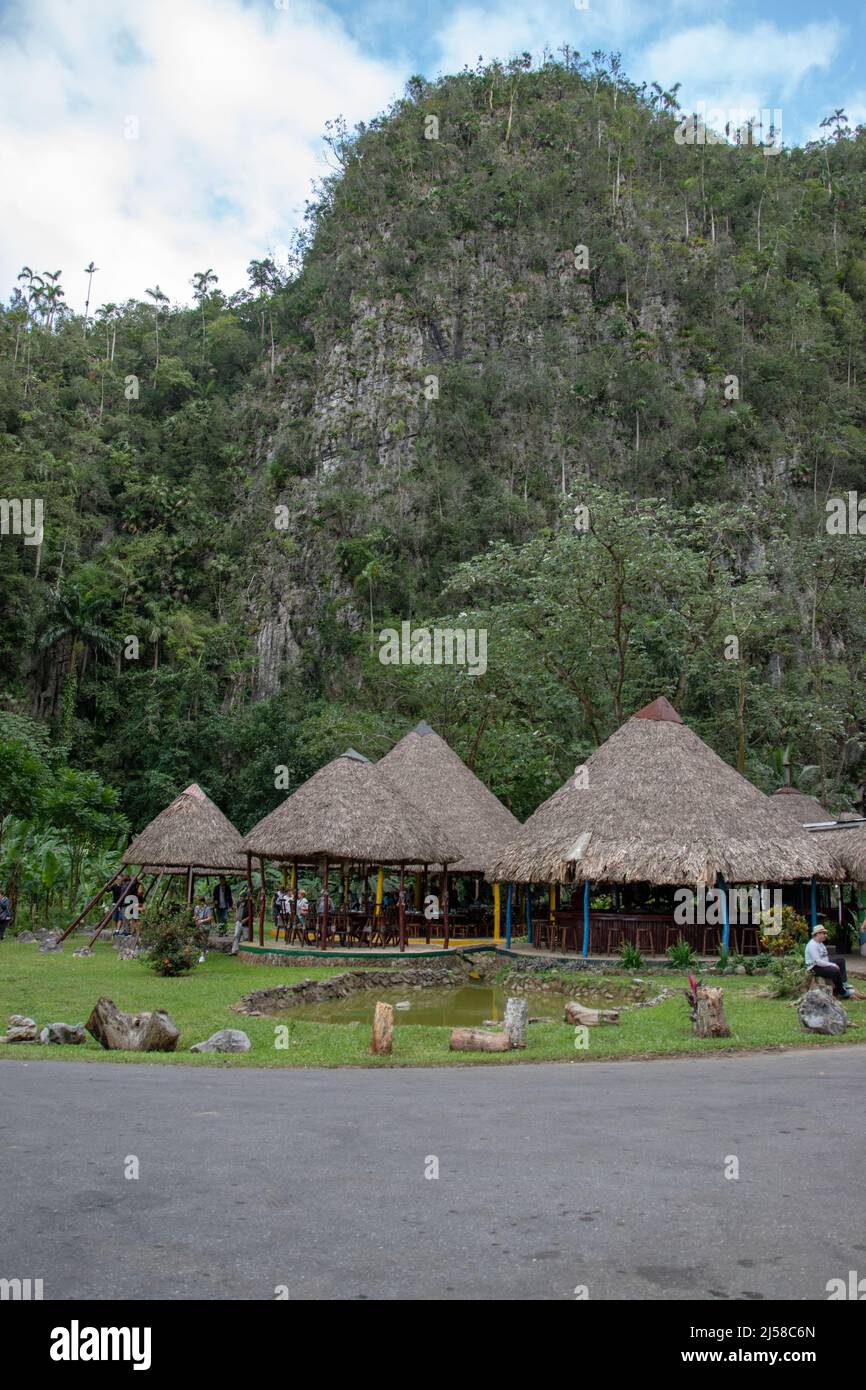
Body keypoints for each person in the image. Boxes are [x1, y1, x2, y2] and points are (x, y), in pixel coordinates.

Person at [805, 924, 855, 998]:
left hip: (821, 964)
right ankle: (842, 992)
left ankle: (844, 983)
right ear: (818, 934)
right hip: (814, 967)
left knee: (840, 960)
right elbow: (818, 961)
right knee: (834, 970)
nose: (825, 935)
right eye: (824, 933)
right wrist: (832, 965)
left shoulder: (820, 943)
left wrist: (831, 963)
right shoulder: (812, 945)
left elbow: (824, 957)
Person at [231, 888, 253, 955]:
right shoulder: (238, 903)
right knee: (236, 936)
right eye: (240, 897)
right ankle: (234, 951)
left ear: (245, 898)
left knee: (246, 937)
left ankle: (245, 952)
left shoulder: (249, 904)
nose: (240, 898)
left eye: (241, 897)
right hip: (238, 922)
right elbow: (237, 910)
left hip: (245, 923)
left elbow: (251, 914)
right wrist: (236, 917)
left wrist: (245, 919)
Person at [194, 895, 213, 963]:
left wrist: (202, 921)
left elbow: (210, 918)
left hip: (206, 926)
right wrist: (196, 920)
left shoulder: (207, 908)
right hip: (198, 926)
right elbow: (195, 916)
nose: (198, 903)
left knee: (203, 940)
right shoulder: (196, 907)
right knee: (195, 938)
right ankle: (203, 950)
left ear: (202, 902)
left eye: (198, 902)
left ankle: (202, 956)